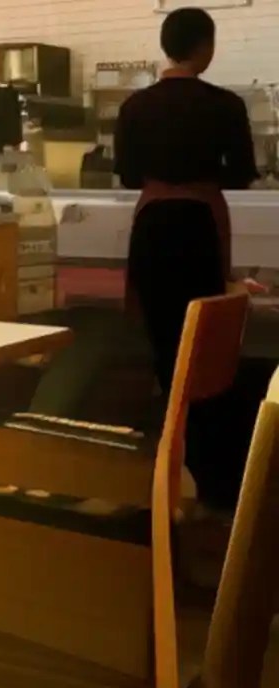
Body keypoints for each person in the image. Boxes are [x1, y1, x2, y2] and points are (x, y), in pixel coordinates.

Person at [116, 7, 267, 512]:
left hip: (153, 229)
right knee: (203, 349)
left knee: (164, 352)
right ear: (204, 46)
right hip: (199, 227)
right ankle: (209, 480)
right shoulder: (224, 105)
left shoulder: (135, 105)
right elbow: (244, 173)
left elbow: (126, 175)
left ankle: (162, 469)